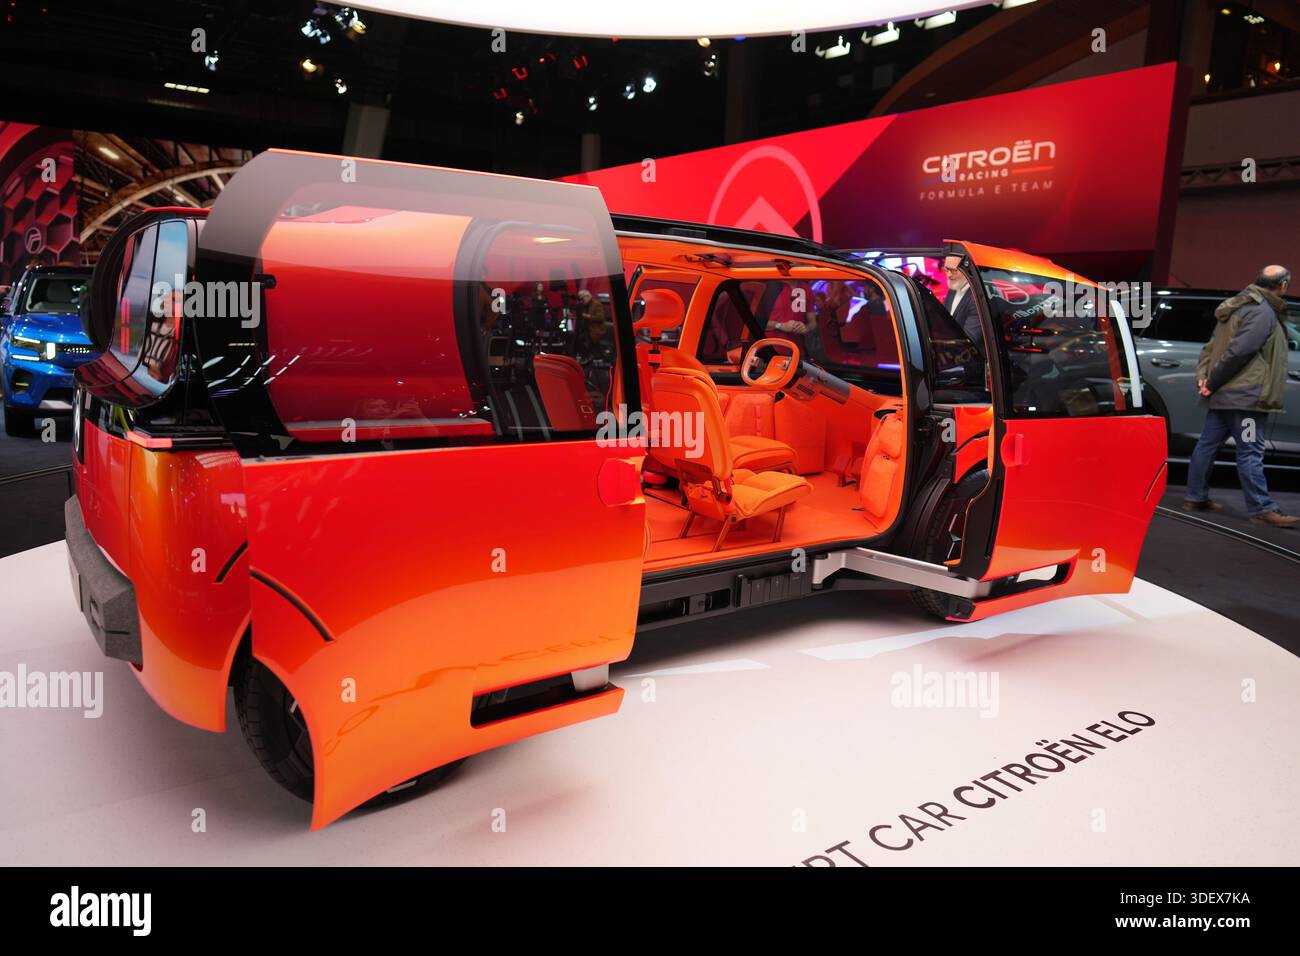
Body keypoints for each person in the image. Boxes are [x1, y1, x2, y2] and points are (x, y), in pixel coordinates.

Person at [1184, 265, 1296, 527]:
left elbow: (1211, 347)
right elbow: (1239, 352)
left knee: (1207, 446)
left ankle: (1195, 497)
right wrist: (1211, 382)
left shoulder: (1236, 305)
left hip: (1226, 395)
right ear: (1283, 286)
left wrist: (1206, 377)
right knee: (1250, 451)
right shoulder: (1262, 311)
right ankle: (1261, 508)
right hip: (1245, 398)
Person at [942, 254, 984, 352]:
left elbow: (969, 339)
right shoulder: (953, 287)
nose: (949, 274)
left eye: (954, 270)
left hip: (969, 358)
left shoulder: (976, 298)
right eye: (946, 269)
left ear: (968, 270)